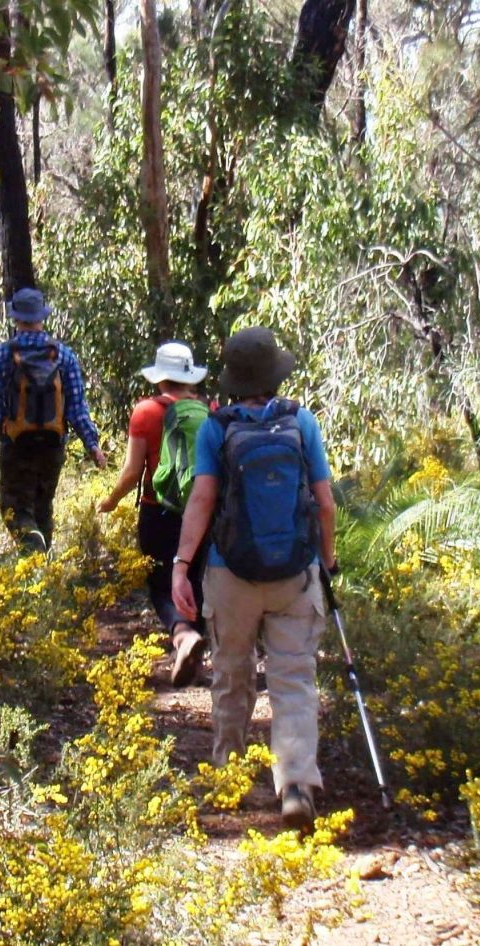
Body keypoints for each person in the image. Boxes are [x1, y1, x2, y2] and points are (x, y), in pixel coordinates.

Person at [171, 327, 337, 832]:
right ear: (274, 374)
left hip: (230, 571)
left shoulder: (216, 429)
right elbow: (325, 503)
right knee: (292, 678)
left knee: (232, 675)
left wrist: (181, 564)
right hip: (294, 571)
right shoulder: (301, 422)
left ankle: (230, 778)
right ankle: (295, 786)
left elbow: (202, 499)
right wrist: (327, 565)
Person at [97, 342, 209, 686]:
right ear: (189, 377)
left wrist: (111, 501)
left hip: (157, 510)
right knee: (195, 577)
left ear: (160, 378)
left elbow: (133, 472)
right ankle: (197, 654)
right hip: (202, 510)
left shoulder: (146, 411)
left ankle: (182, 635)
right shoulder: (210, 410)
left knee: (161, 584)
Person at [0, 287, 106, 552]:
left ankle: (32, 554)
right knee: (43, 506)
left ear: (16, 318)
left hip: (16, 444)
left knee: (14, 508)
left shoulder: (1, 355)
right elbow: (77, 408)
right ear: (41, 317)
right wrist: (92, 445)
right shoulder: (63, 356)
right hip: (52, 444)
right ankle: (44, 573)